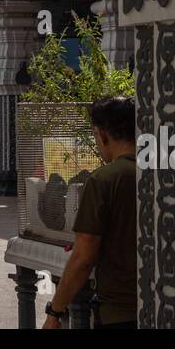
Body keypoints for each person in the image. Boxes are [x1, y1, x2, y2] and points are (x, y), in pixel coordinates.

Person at [42, 96, 137, 330]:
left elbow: (84, 257)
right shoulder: (162, 172)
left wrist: (55, 312)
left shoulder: (104, 180)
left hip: (119, 311)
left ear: (102, 134)